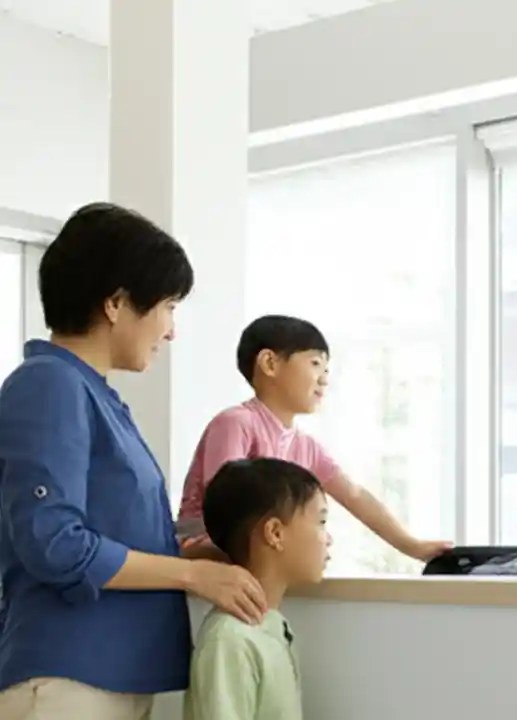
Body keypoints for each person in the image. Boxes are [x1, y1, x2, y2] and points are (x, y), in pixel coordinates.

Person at [0, 203, 267, 720]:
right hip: (67, 679)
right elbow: (54, 543)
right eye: (168, 306)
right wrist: (190, 578)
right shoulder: (49, 385)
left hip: (102, 678)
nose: (172, 330)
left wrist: (193, 556)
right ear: (117, 303)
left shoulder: (91, 394)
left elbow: (114, 533)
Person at [176, 314, 450, 563]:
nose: (324, 379)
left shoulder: (306, 447)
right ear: (270, 363)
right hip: (204, 545)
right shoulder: (236, 422)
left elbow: (354, 495)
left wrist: (412, 547)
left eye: (327, 370)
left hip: (263, 548)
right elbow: (224, 504)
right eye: (316, 363)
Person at [185, 458, 329, 720]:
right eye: (321, 522)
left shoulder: (273, 625)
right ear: (275, 533)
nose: (328, 538)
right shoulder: (229, 640)